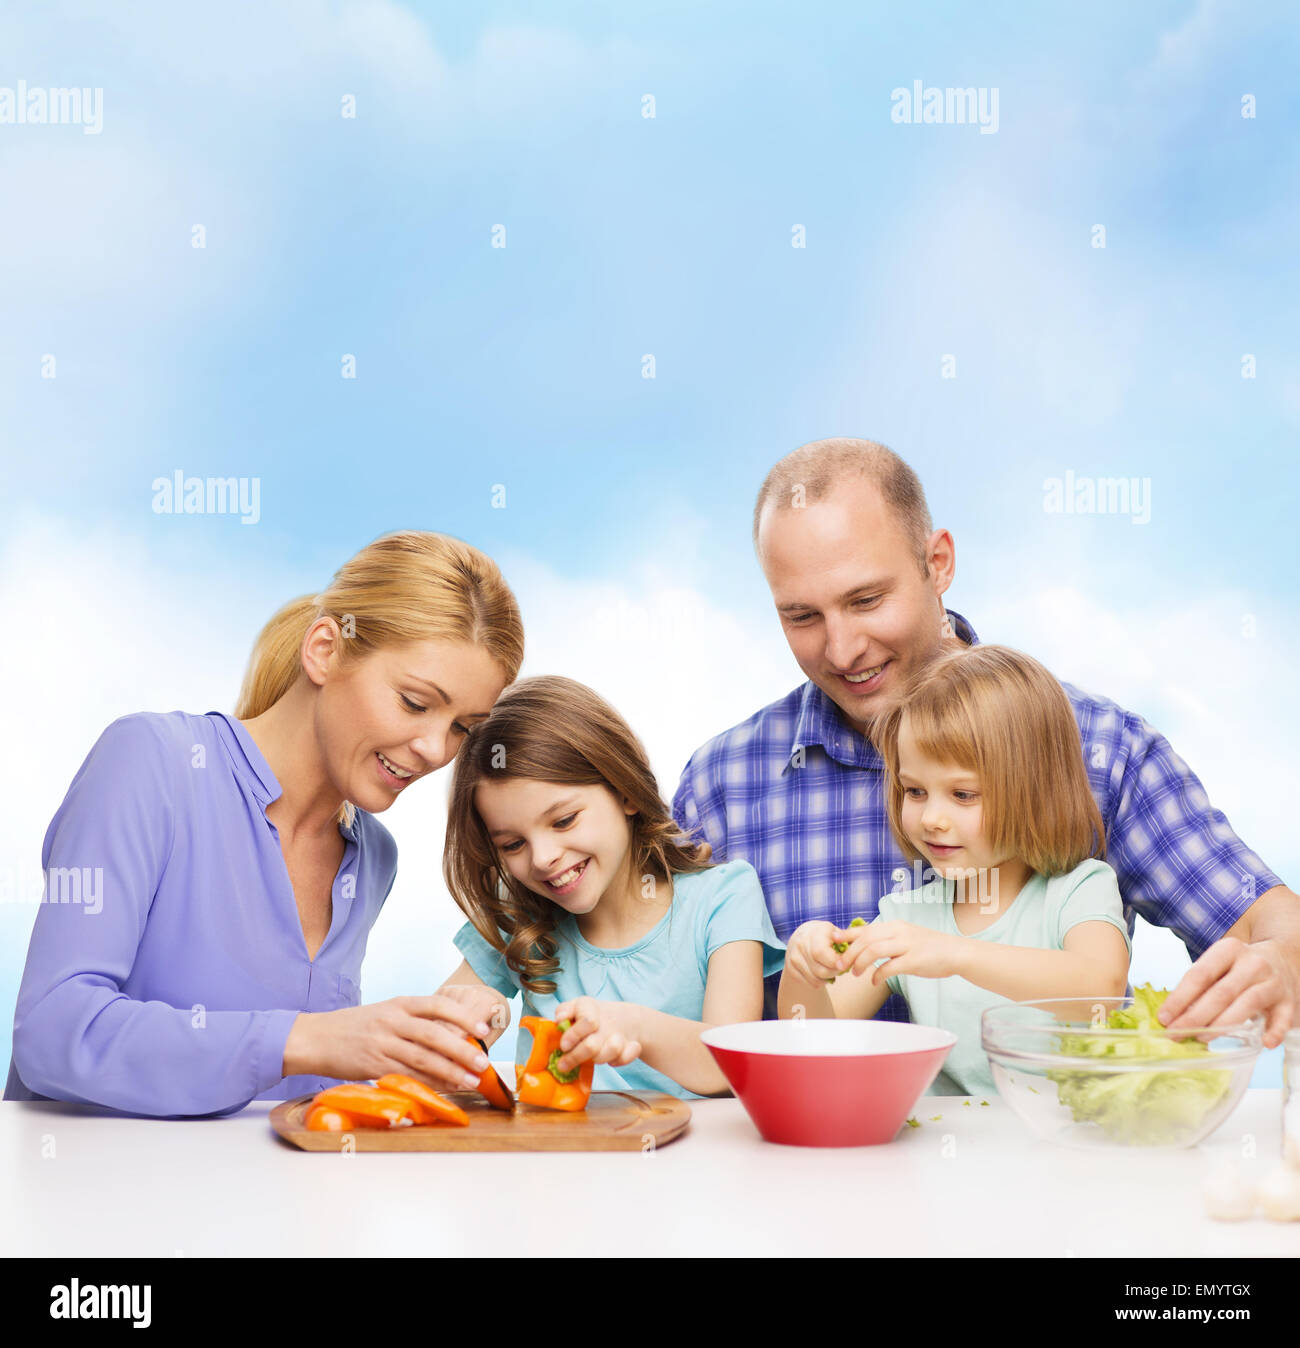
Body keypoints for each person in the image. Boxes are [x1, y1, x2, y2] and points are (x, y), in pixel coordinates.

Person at [674, 438, 1299, 1046]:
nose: (841, 650)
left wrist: (1283, 963)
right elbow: (662, 1006)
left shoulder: (1101, 748)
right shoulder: (722, 783)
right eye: (802, 617)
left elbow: (1258, 924)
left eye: (866, 599)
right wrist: (808, 970)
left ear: (938, 563)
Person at [5, 530, 522, 1117]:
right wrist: (312, 1040)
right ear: (326, 650)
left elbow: (289, 1096)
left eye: (463, 728)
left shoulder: (373, 856)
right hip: (99, 1202)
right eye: (415, 702)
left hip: (271, 1207)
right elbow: (52, 1030)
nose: (435, 749)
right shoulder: (152, 762)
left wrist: (415, 1051)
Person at [778, 644, 1131, 1096]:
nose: (931, 819)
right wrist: (802, 972)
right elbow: (810, 1041)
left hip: (1066, 1145)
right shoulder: (907, 920)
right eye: (915, 791)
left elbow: (1099, 991)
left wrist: (956, 955)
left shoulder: (1078, 890)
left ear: (1036, 792)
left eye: (963, 795)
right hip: (948, 1155)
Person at [441, 675, 785, 1098]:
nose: (543, 857)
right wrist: (471, 1021)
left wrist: (632, 1026)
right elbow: (441, 1037)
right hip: (551, 1156)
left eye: (564, 820)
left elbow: (728, 1064)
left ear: (626, 792)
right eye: (512, 844)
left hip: (691, 1159)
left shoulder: (723, 897)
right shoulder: (518, 911)